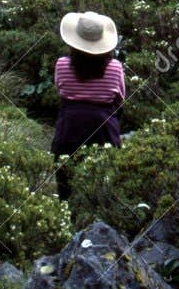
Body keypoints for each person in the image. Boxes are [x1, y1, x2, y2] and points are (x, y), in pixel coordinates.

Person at [51, 11, 125, 200]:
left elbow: (60, 89)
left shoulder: (61, 64)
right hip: (103, 127)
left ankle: (66, 211)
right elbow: (120, 99)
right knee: (105, 179)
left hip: (70, 126)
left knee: (66, 175)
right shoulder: (116, 67)